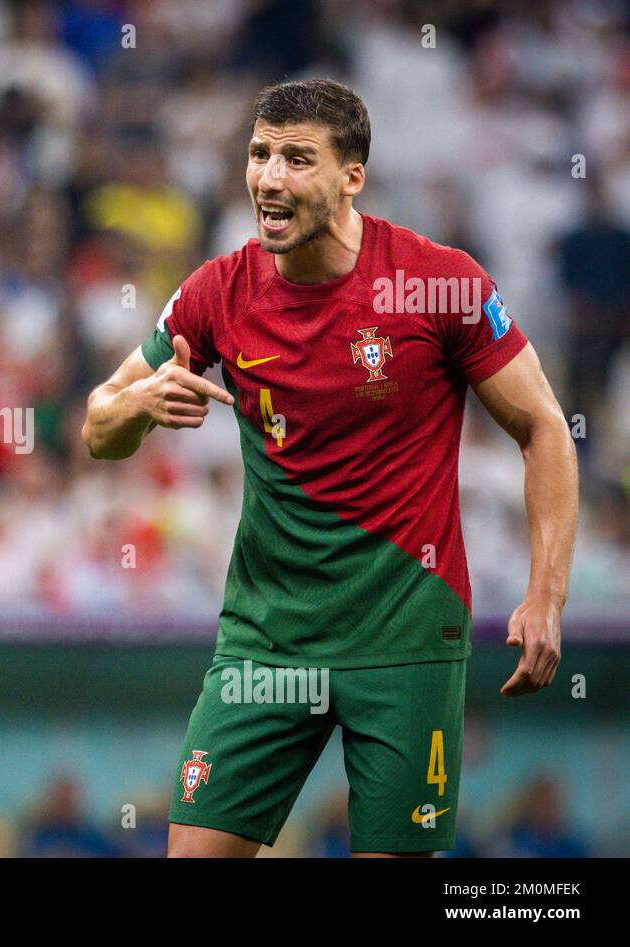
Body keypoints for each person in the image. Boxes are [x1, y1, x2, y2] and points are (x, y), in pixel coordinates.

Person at [82, 79, 578, 857]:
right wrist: (139, 403)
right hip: (266, 642)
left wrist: (545, 596)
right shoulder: (217, 291)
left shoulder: (436, 282)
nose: (269, 177)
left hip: (405, 640)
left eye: (297, 159)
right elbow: (98, 424)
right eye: (259, 154)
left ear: (353, 175)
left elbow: (545, 428)